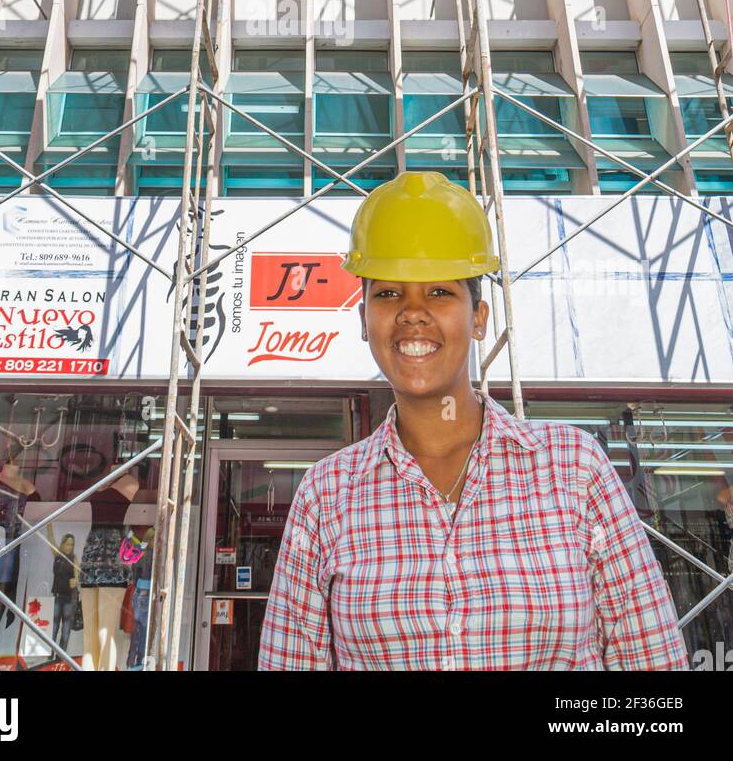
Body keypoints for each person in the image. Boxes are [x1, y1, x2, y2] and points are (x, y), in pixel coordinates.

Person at [258, 171, 691, 672]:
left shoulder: (573, 468)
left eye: (439, 293)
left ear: (479, 317)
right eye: (388, 294)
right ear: (362, 319)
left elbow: (651, 663)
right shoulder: (327, 494)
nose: (412, 314)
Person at [46, 526, 80, 658]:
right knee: (54, 628)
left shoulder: (74, 558)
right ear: (63, 543)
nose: (69, 547)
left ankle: (60, 657)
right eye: (67, 544)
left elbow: (78, 575)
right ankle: (50, 653)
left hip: (69, 598)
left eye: (71, 544)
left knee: (65, 630)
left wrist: (76, 580)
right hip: (58, 596)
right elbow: (50, 540)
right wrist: (49, 526)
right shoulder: (58, 555)